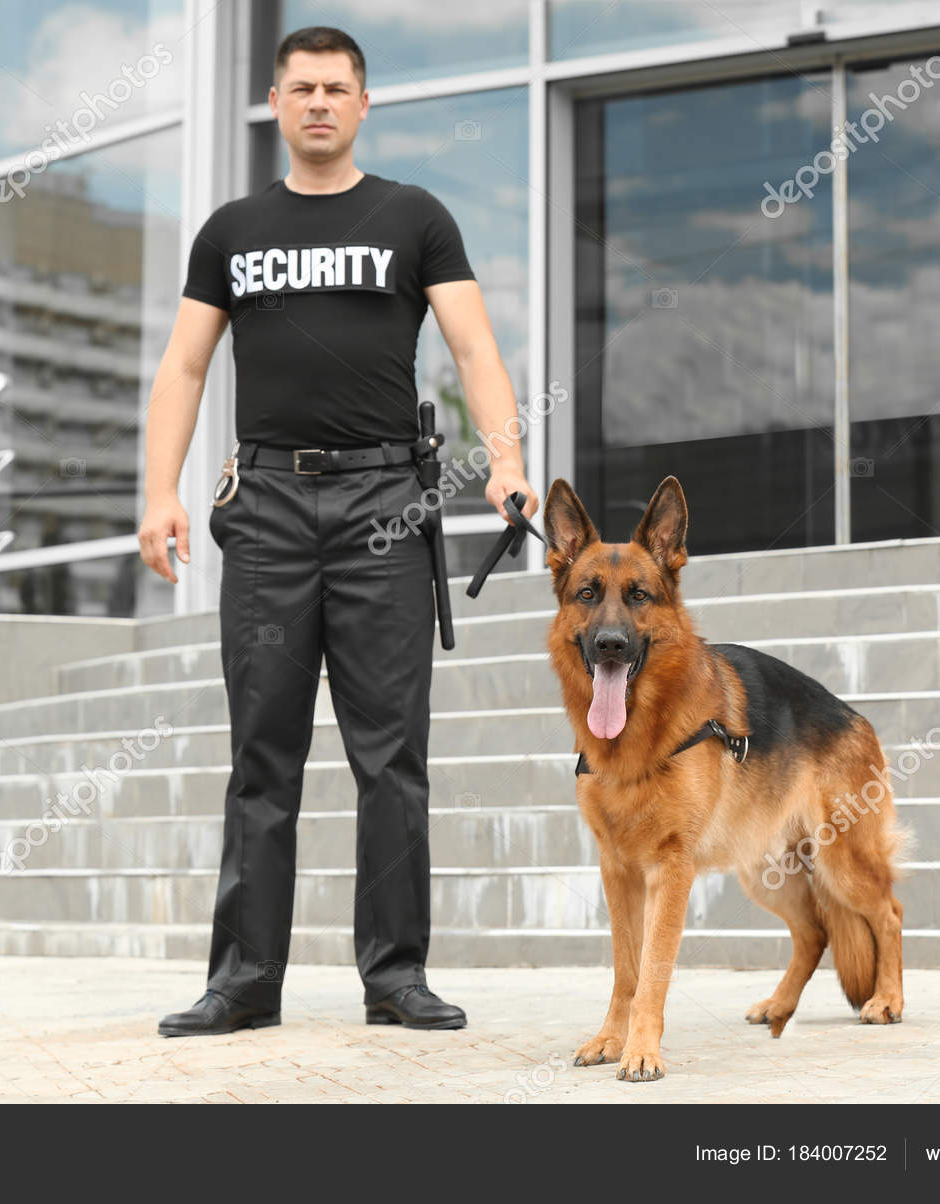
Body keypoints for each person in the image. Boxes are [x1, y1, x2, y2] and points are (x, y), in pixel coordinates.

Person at [138, 25, 538, 1035]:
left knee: (391, 756)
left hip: (383, 511)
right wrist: (159, 490)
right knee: (261, 754)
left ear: (364, 105)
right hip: (266, 510)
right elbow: (184, 367)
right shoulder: (230, 231)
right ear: (276, 102)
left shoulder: (415, 217)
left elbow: (473, 342)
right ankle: (242, 980)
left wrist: (508, 460)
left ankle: (395, 974)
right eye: (302, 87)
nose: (318, 102)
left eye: (336, 88)